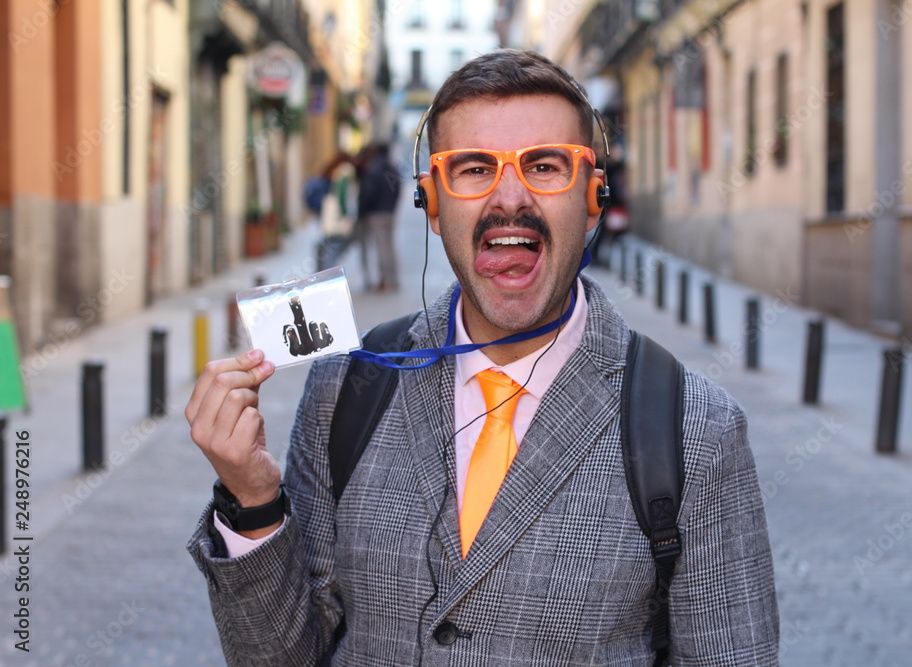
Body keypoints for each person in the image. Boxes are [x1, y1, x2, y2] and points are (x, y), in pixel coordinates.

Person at [186, 50, 779, 665]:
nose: (510, 199)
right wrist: (253, 503)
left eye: (544, 166)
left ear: (594, 195)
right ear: (431, 203)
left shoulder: (696, 432)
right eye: (474, 169)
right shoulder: (345, 390)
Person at [357, 142, 402, 291]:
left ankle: (386, 281)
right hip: (388, 211)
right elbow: (397, 190)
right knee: (389, 246)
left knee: (381, 247)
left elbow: (368, 193)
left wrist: (364, 211)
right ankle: (392, 280)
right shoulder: (391, 168)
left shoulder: (374, 169)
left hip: (376, 213)